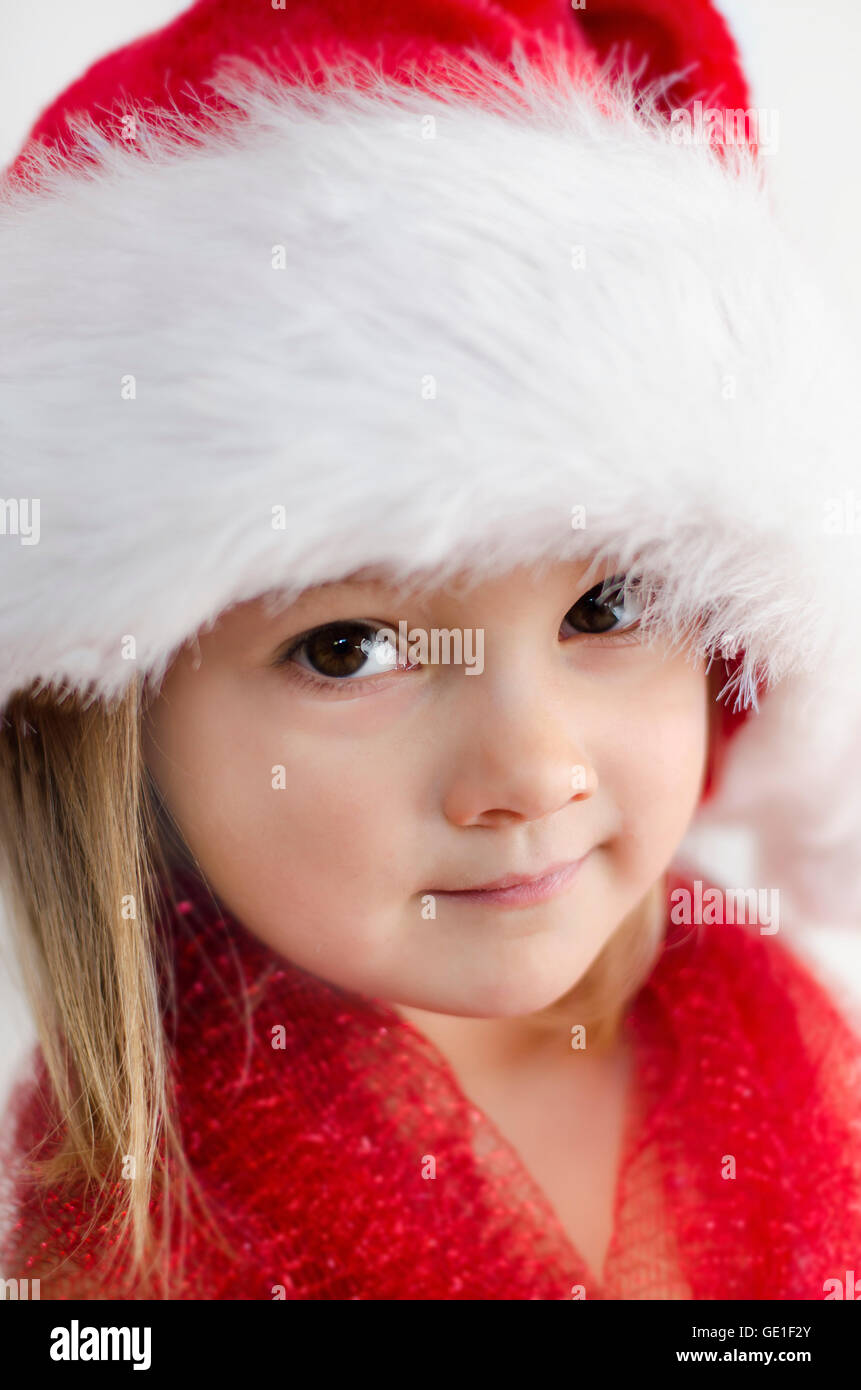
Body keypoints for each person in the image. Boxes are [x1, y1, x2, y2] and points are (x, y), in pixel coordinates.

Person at [1, 0, 860, 1301]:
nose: (530, 768)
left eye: (607, 607)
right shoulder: (104, 1266)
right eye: (346, 648)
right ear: (113, 715)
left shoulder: (788, 1046)